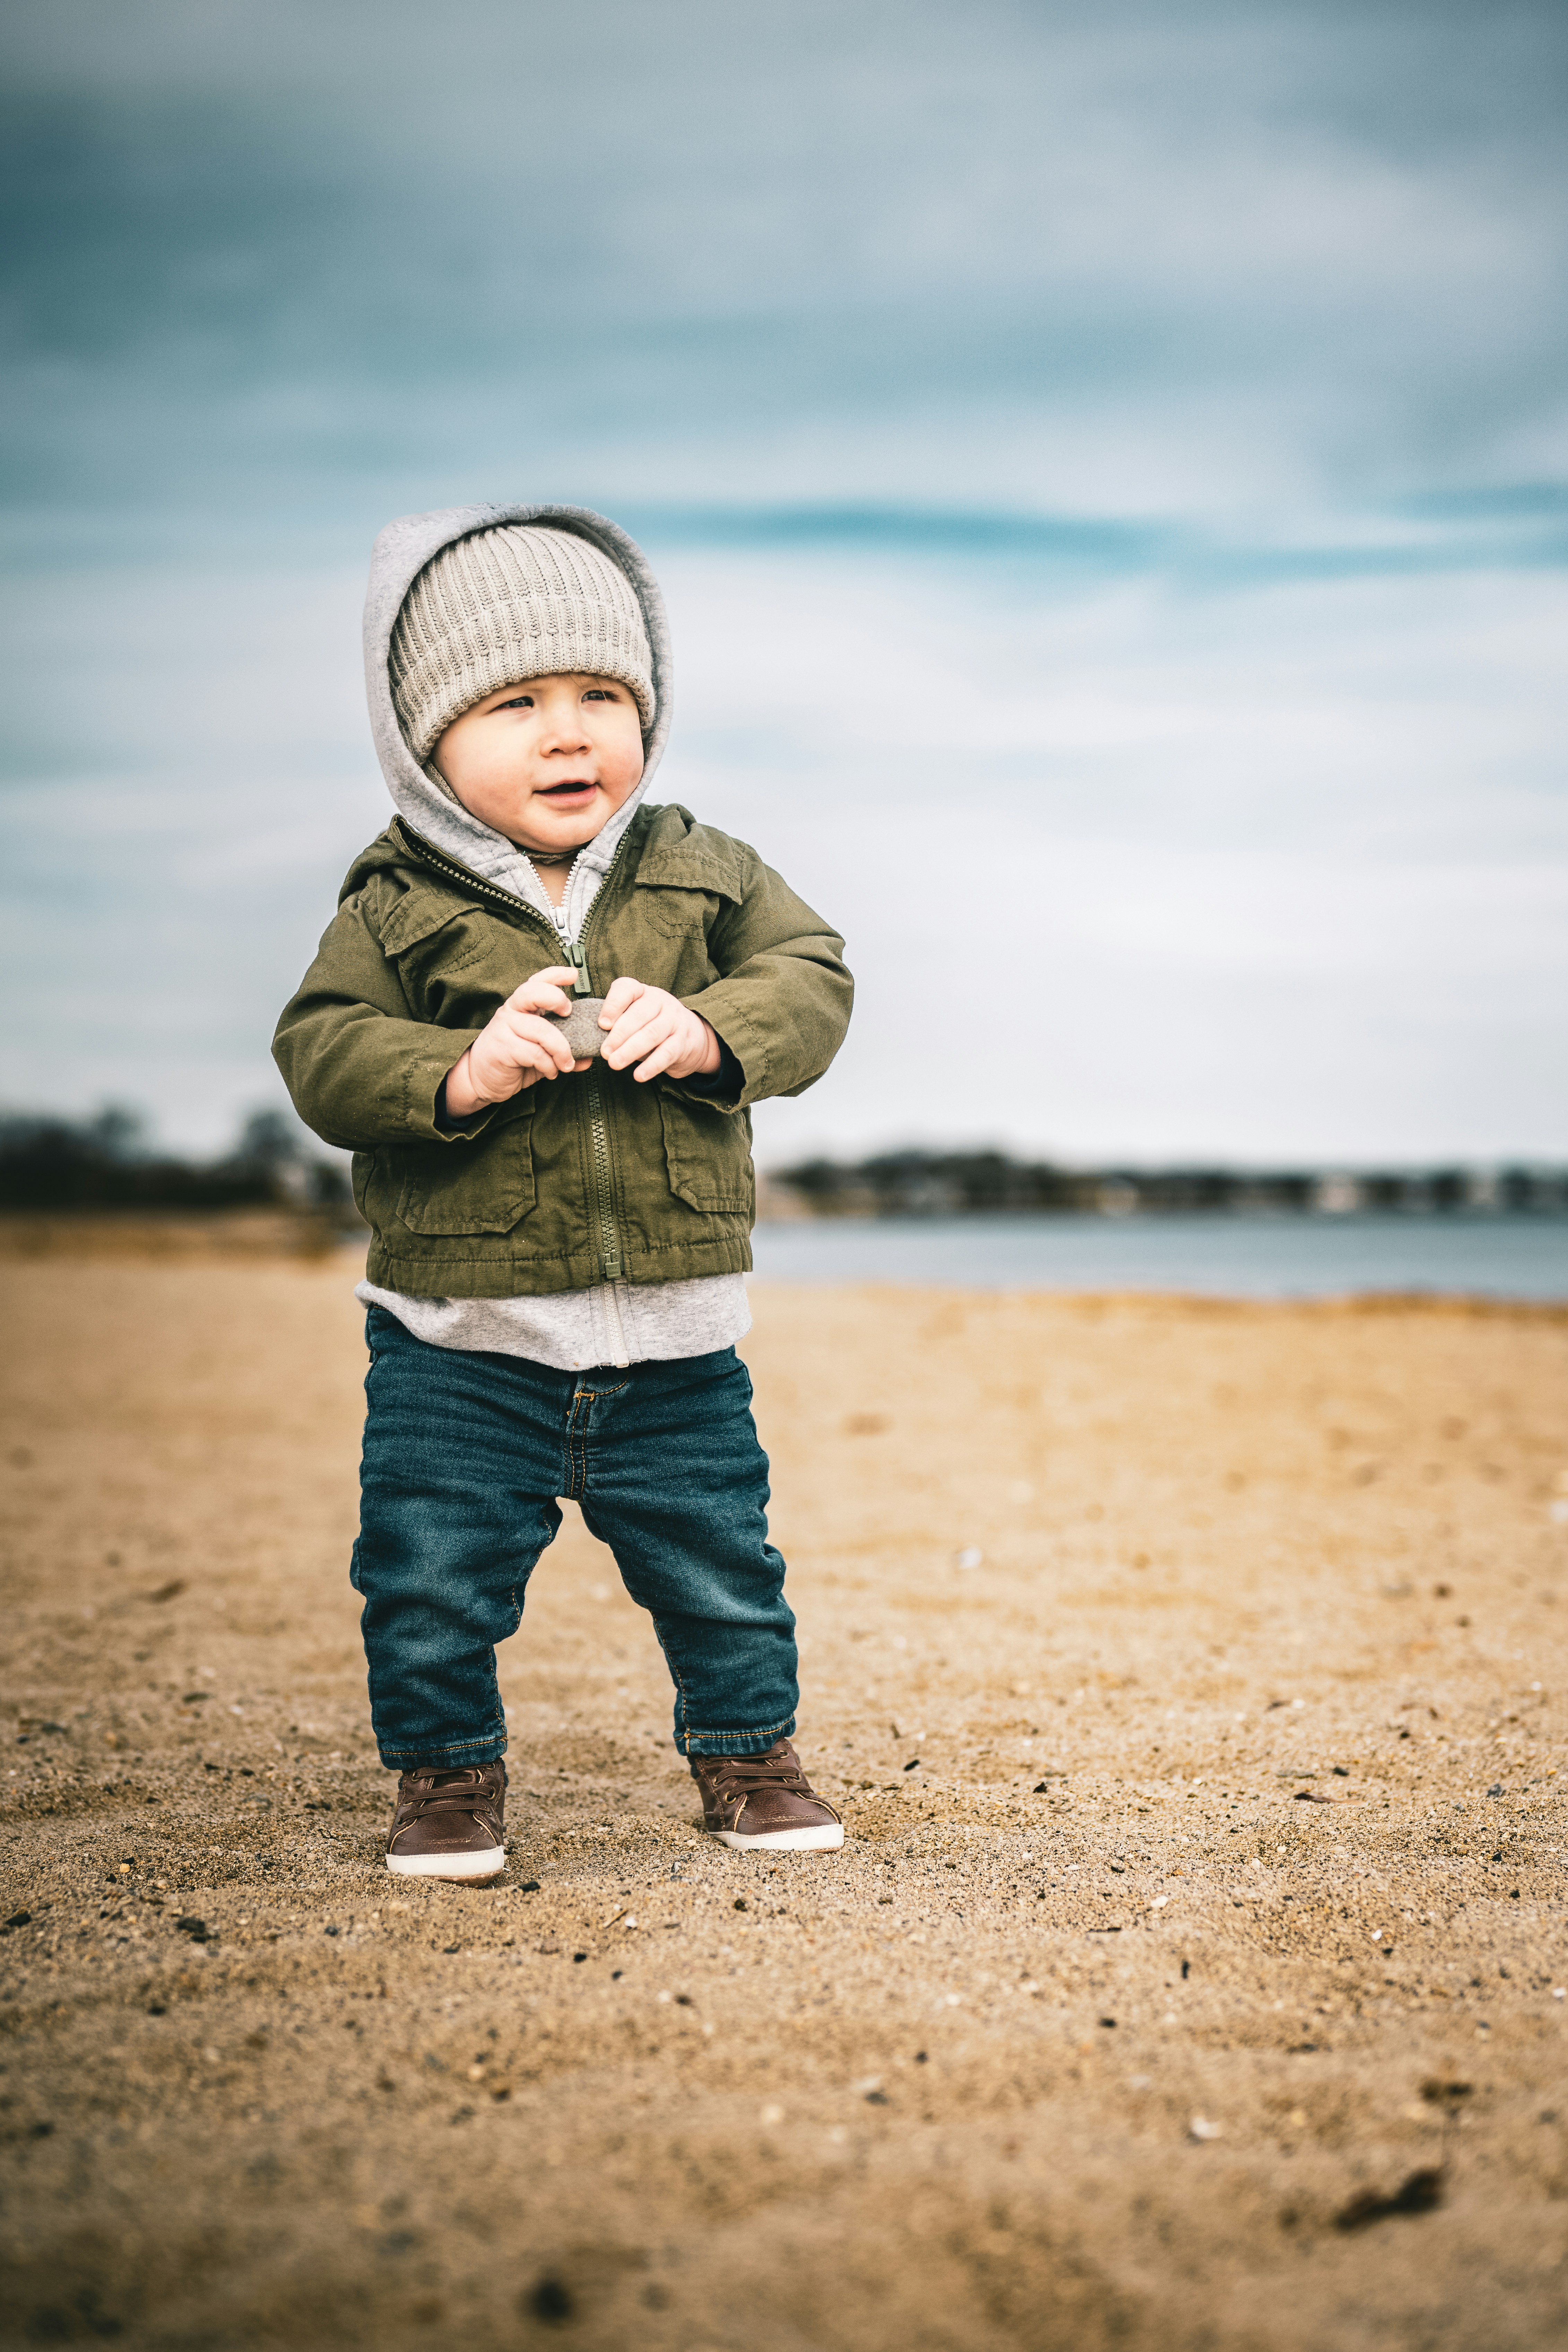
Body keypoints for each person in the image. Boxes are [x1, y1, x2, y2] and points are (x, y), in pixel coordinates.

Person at [274, 504, 854, 1882]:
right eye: (517, 702)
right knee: (430, 1574)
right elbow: (322, 1047)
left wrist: (718, 1033)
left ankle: (751, 1757)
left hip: (676, 1337)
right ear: (426, 742)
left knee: (723, 1566)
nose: (569, 731)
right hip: (461, 1340)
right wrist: (456, 1071)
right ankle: (446, 1777)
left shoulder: (703, 871)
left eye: (604, 695)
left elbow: (814, 974)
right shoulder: (394, 906)